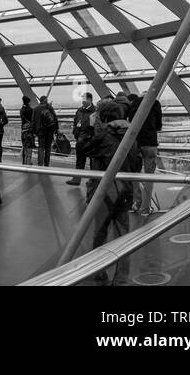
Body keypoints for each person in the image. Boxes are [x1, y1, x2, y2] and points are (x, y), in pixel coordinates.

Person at [77, 100, 141, 284]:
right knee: (123, 236)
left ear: (103, 117)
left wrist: (87, 130)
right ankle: (121, 279)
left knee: (100, 233)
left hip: (106, 192)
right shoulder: (132, 135)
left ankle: (100, 272)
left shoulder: (104, 134)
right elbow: (136, 164)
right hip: (125, 190)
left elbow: (83, 149)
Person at [133, 93, 162, 214]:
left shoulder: (134, 103)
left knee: (134, 174)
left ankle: (137, 202)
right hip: (150, 143)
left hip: (136, 143)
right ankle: (145, 208)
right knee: (149, 176)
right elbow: (158, 125)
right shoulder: (155, 103)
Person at [68, 93, 96, 186]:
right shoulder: (79, 111)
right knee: (79, 160)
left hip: (90, 140)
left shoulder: (95, 111)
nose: (82, 101)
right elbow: (75, 122)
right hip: (80, 139)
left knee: (93, 162)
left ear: (90, 100)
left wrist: (91, 136)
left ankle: (92, 180)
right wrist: (75, 133)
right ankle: (76, 179)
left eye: (84, 99)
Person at [31, 96, 58, 167]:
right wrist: (56, 130)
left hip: (40, 131)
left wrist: (33, 132)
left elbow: (33, 121)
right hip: (49, 131)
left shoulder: (35, 109)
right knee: (48, 147)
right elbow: (55, 119)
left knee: (41, 147)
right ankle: (47, 163)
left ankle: (40, 163)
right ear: (46, 100)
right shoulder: (49, 107)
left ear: (40, 101)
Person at [19, 96, 35, 165]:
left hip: (23, 129)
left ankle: (24, 161)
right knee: (30, 145)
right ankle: (29, 160)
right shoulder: (31, 110)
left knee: (24, 145)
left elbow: (22, 118)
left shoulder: (22, 110)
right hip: (30, 129)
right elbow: (33, 120)